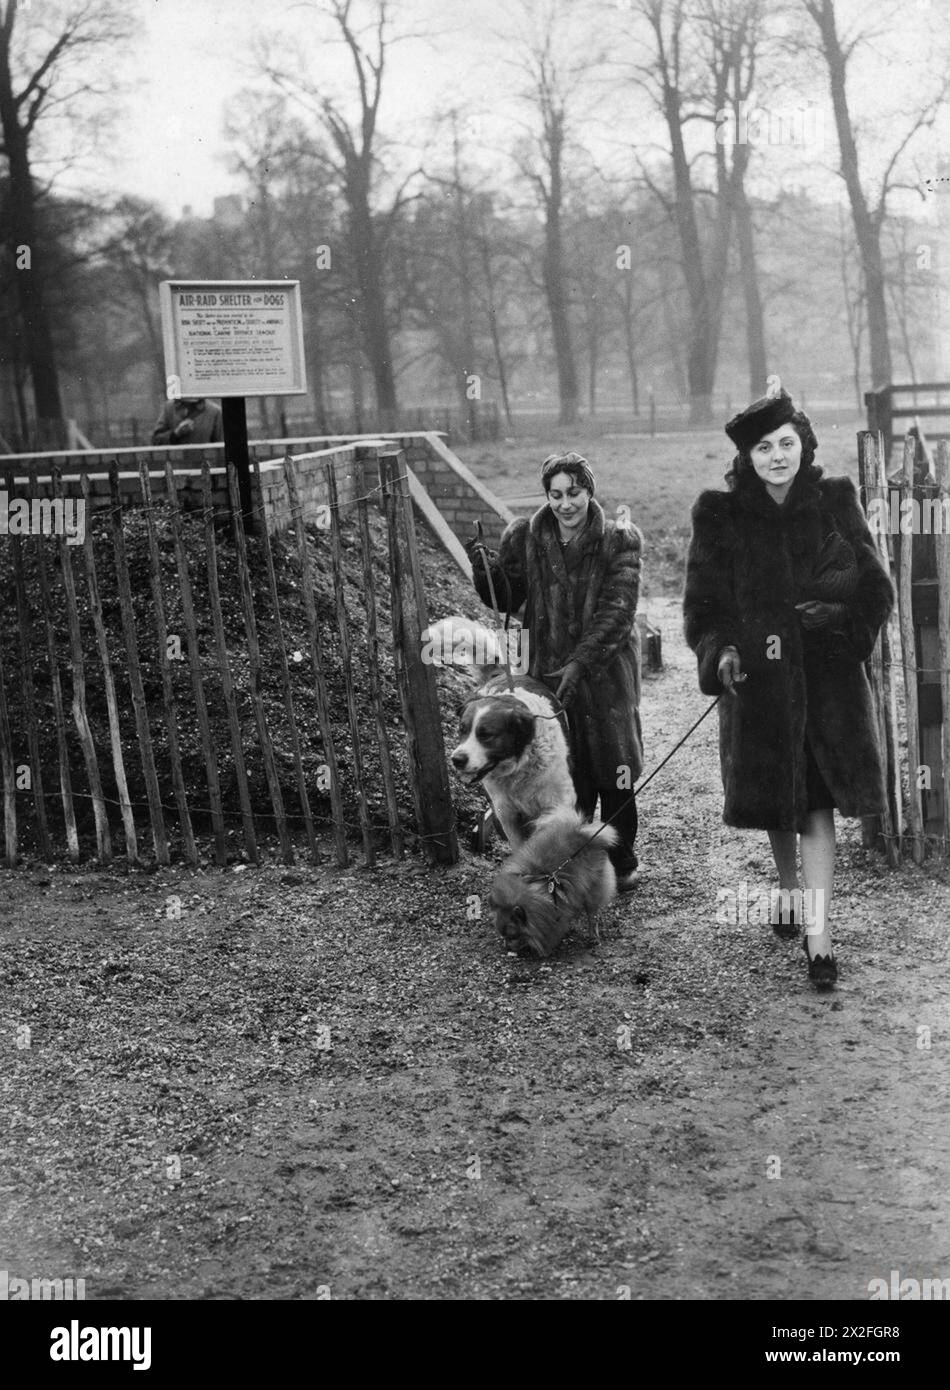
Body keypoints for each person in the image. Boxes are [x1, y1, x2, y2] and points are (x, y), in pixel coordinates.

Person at [683, 383, 894, 987]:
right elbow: (702, 608)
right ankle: (786, 887)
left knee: (818, 807)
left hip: (828, 688)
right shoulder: (719, 515)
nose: (778, 456)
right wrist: (718, 652)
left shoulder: (834, 500)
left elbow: (876, 590)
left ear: (803, 443)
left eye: (787, 442)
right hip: (758, 685)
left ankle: (819, 936)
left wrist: (837, 627)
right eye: (764, 448)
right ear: (745, 458)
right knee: (780, 799)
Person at [466, 451, 644, 892]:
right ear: (547, 496)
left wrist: (582, 662)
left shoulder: (619, 540)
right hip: (548, 672)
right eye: (556, 495)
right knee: (572, 772)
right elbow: (507, 598)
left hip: (604, 671)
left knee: (615, 769)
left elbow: (617, 611)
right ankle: (575, 867)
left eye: (575, 493)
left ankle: (622, 862)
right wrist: (485, 572)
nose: (566, 504)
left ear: (590, 491)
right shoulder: (527, 536)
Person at [151, 396, 223, 446]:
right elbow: (156, 441)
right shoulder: (169, 408)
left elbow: (220, 447)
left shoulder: (214, 411)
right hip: (175, 464)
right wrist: (176, 433)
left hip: (203, 464)